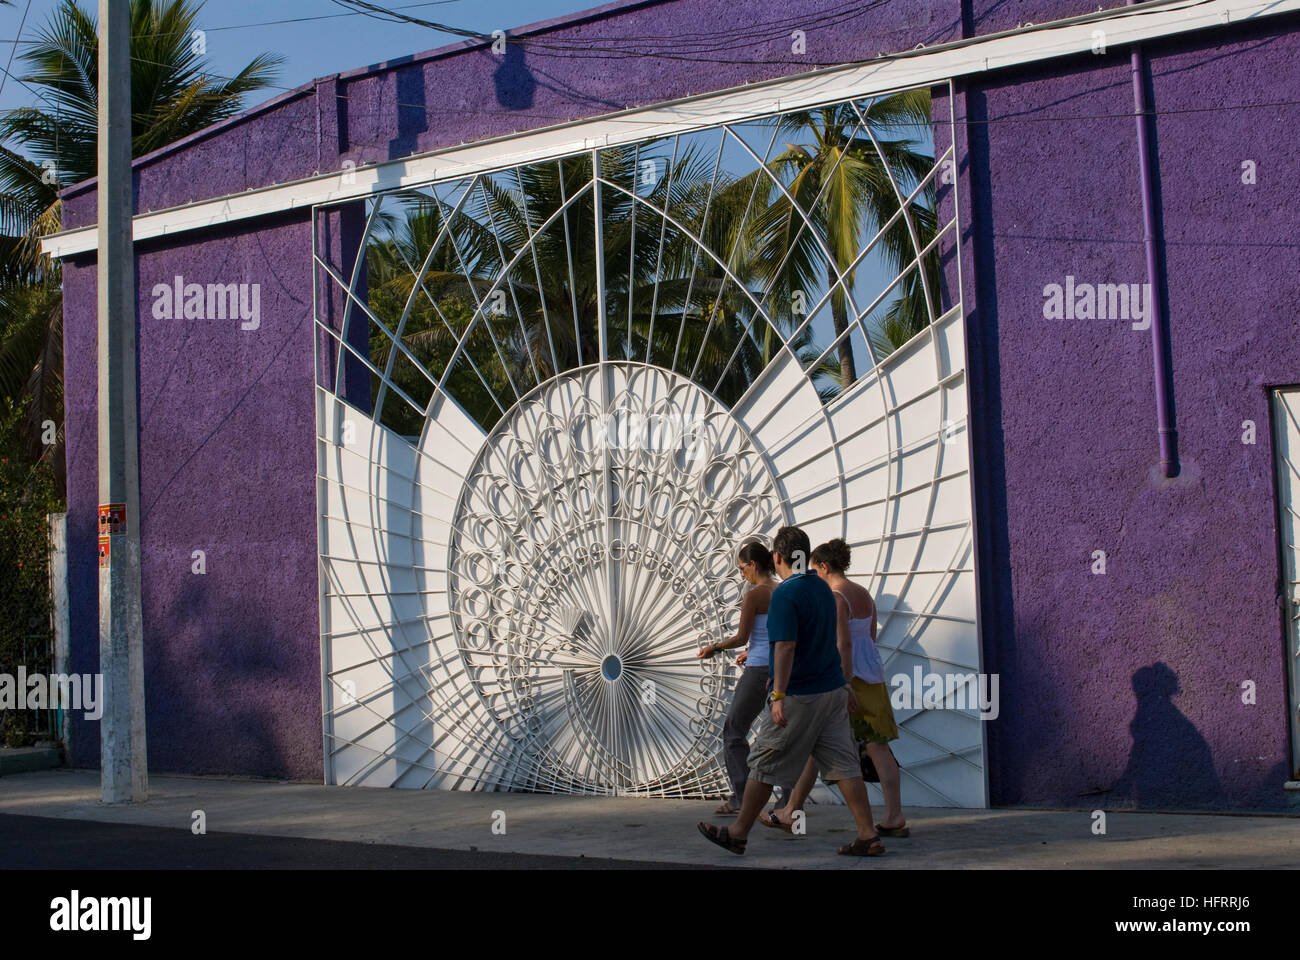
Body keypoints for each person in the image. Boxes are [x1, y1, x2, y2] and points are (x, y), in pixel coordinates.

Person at [696, 525, 884, 856]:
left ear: (777, 556)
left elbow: (784, 647)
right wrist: (844, 684)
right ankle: (868, 835)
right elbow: (838, 642)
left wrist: (779, 695)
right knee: (844, 765)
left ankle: (738, 832)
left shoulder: (786, 594)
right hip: (832, 692)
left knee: (764, 760)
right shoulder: (826, 592)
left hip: (801, 693)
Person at [762, 539, 908, 837]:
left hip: (846, 680)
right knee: (877, 746)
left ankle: (791, 811)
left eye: (814, 567)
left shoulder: (835, 597)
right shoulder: (864, 594)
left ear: (824, 566)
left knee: (820, 745)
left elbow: (841, 643)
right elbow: (870, 636)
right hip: (873, 677)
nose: (813, 573)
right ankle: (894, 815)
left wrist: (840, 679)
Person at [697, 540, 793, 814]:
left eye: (742, 569)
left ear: (753, 565)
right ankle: (788, 801)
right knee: (781, 732)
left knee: (733, 730)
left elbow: (741, 637)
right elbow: (780, 634)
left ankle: (741, 797)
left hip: (760, 669)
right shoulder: (785, 590)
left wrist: (714, 647)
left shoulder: (754, 595)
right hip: (781, 667)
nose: (742, 575)